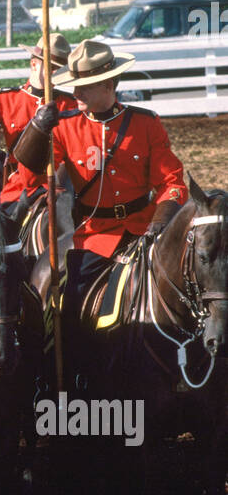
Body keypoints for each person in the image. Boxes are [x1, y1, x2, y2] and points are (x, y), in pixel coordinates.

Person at [13, 38, 188, 389]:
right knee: (68, 309)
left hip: (143, 231)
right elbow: (29, 176)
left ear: (109, 84)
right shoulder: (65, 127)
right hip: (94, 236)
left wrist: (159, 223)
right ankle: (70, 381)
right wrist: (37, 128)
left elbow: (173, 183)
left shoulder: (146, 123)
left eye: (84, 86)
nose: (75, 93)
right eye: (73, 85)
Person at [0, 33, 75, 202]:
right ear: (34, 64)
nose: (56, 74)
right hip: (19, 187)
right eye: (51, 68)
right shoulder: (6, 99)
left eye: (60, 69)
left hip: (61, 185)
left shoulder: (69, 104)